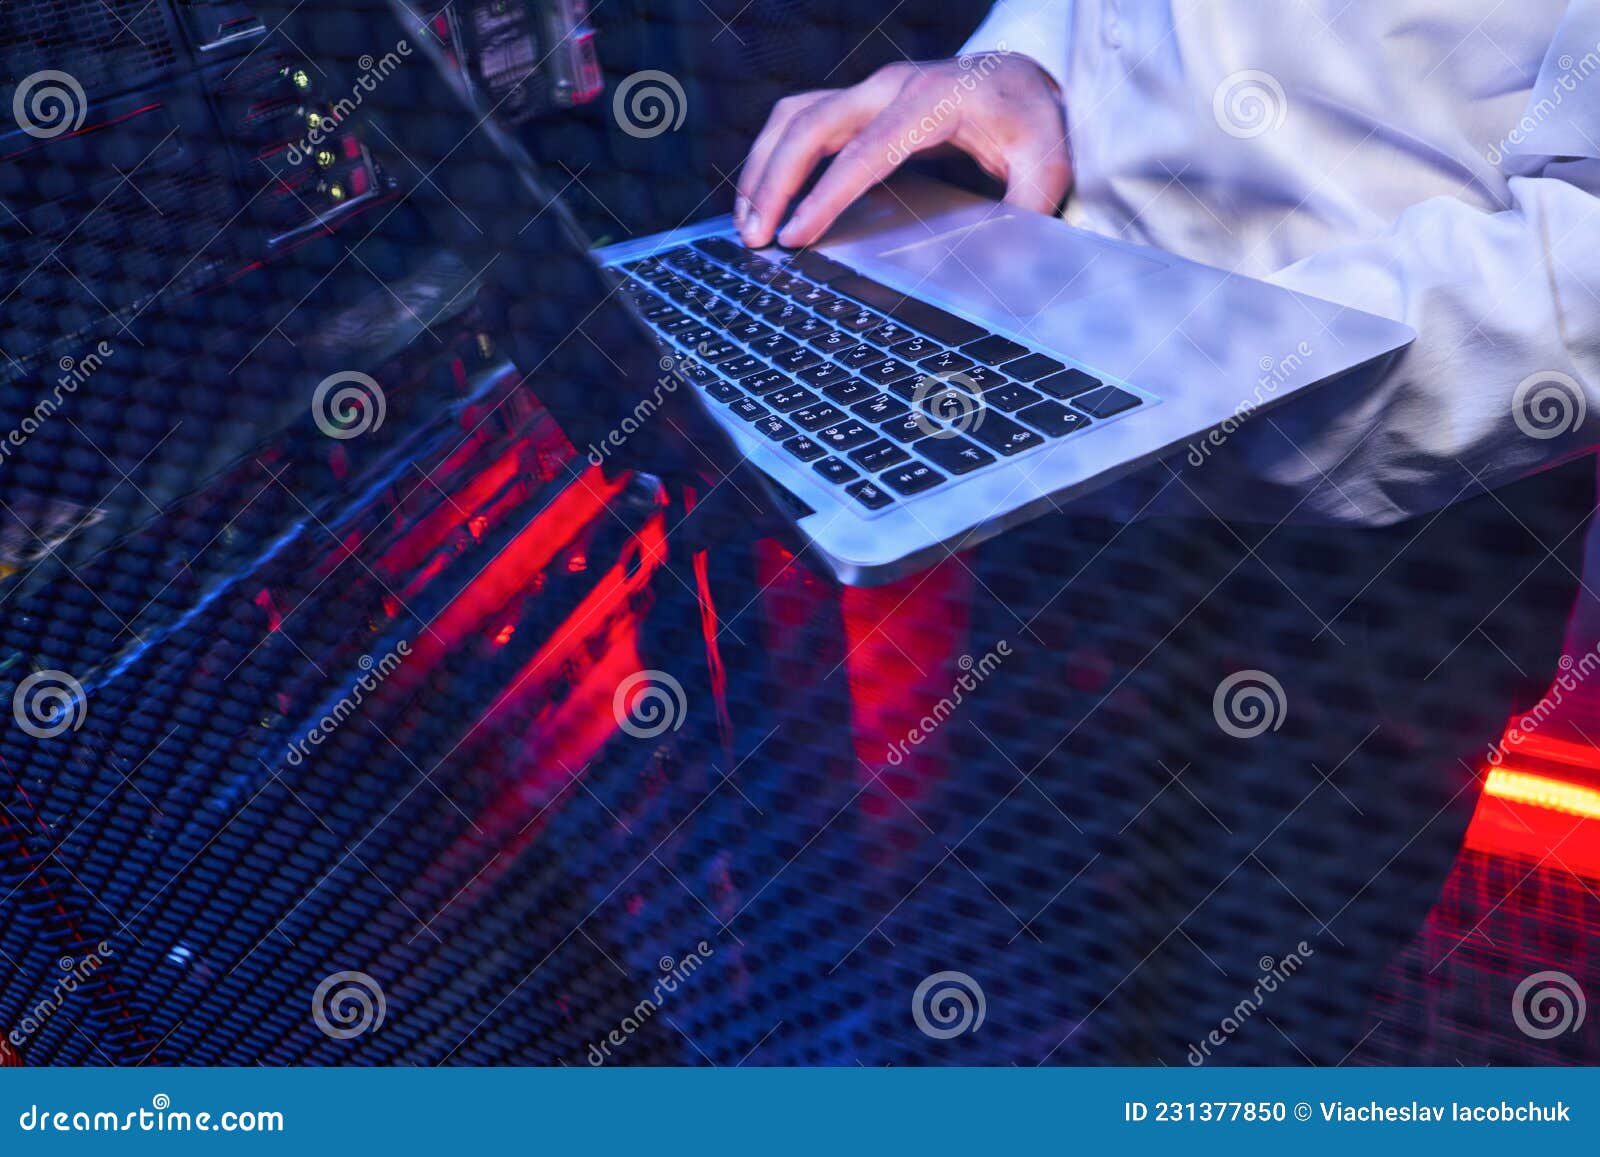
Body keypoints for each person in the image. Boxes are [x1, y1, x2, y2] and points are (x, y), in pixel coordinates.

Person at [682, 0, 1600, 1064]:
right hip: (1067, 445)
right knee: (1025, 919)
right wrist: (1018, 63)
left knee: (1256, 997)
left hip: (1386, 543)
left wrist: (1185, 353)